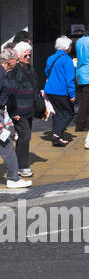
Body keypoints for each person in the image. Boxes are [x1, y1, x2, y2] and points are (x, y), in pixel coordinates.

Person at [4, 42, 40, 179]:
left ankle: (18, 164)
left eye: (29, 54)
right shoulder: (15, 70)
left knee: (25, 137)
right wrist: (13, 112)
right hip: (19, 110)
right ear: (18, 55)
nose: (28, 56)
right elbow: (10, 92)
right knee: (24, 136)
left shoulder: (30, 68)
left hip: (29, 108)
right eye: (25, 54)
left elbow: (35, 86)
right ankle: (21, 166)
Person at [0, 60, 31, 192]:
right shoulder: (1, 75)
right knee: (7, 146)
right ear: (9, 61)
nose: (17, 61)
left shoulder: (4, 74)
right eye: (15, 59)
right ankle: (13, 179)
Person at [44, 36, 77, 146]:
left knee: (58, 113)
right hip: (61, 91)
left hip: (50, 89)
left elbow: (46, 72)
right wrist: (72, 94)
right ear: (67, 47)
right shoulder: (67, 60)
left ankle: (58, 135)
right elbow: (70, 79)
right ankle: (57, 135)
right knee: (68, 113)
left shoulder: (50, 58)